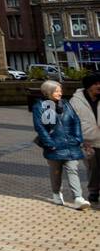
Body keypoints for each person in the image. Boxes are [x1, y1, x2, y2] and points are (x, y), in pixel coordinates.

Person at [33, 79, 88, 209]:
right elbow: (40, 127)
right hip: (54, 146)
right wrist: (50, 143)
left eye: (60, 90)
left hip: (71, 144)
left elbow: (76, 121)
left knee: (73, 170)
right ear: (48, 92)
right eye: (56, 91)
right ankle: (56, 193)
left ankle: (78, 198)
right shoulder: (40, 106)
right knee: (56, 172)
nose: (60, 93)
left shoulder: (66, 104)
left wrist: (78, 138)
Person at [69, 72, 100, 204]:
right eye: (96, 84)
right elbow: (71, 122)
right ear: (88, 86)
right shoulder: (75, 101)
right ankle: (93, 191)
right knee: (93, 168)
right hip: (87, 142)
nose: (99, 86)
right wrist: (79, 140)